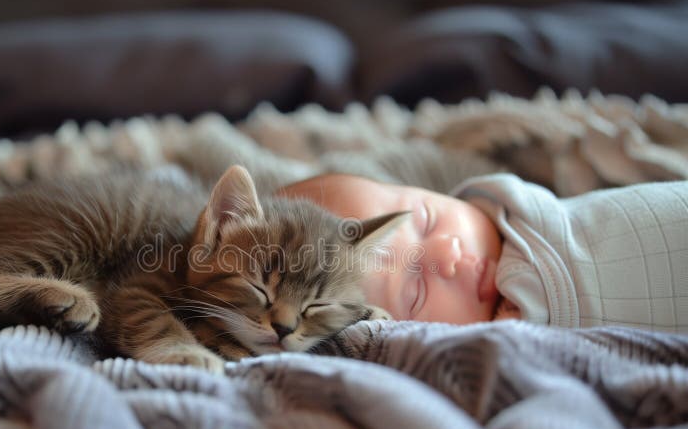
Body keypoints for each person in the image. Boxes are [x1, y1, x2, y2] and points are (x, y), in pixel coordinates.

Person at [277, 173, 688, 333]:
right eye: (416, 291)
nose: (448, 254)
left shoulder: (516, 211)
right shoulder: (492, 347)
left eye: (426, 219)